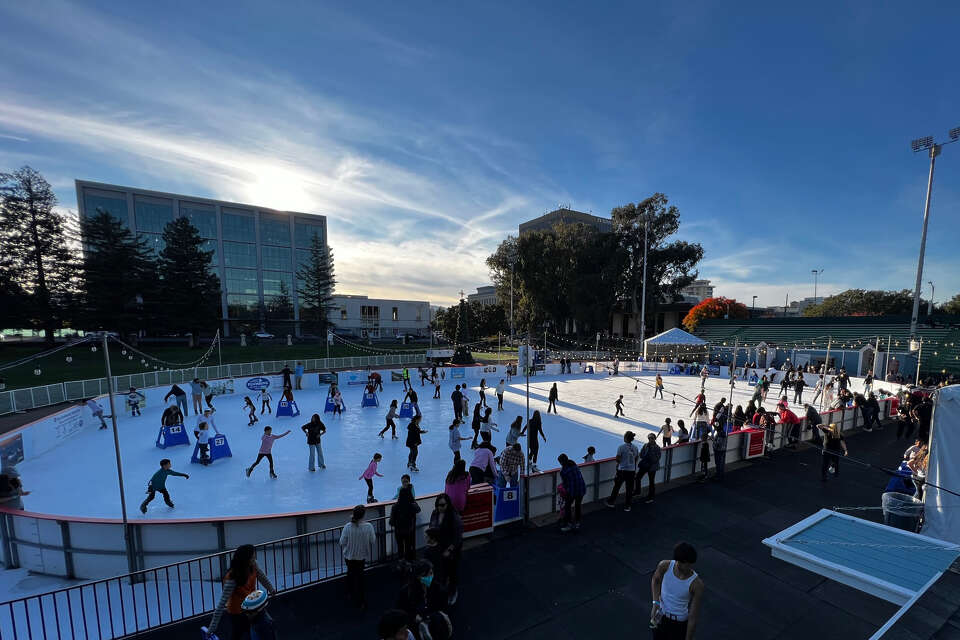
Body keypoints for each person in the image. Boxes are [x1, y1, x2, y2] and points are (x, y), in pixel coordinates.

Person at [205, 544, 277, 640]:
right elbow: (221, 604)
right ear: (244, 560)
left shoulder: (253, 565)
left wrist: (271, 589)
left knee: (267, 625)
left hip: (253, 606)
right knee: (241, 634)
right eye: (252, 557)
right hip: (238, 613)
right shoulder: (232, 578)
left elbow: (262, 577)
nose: (254, 559)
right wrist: (211, 629)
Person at [650, 542, 704, 640]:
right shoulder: (664, 566)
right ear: (678, 561)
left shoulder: (696, 584)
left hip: (679, 623)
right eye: (686, 564)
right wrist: (655, 603)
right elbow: (655, 580)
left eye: (690, 564)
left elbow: (693, 617)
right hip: (660, 616)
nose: (689, 567)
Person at [395, 560, 449, 637]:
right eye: (426, 575)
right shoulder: (407, 592)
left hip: (435, 629)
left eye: (431, 573)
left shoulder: (439, 590)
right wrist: (414, 616)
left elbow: (444, 609)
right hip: (415, 630)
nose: (430, 577)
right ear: (418, 576)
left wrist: (428, 617)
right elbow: (401, 612)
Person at [339, 505, 376, 610]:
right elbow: (373, 540)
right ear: (363, 515)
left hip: (349, 556)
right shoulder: (368, 527)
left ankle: (349, 593)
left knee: (350, 573)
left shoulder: (347, 527)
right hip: (361, 556)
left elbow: (342, 542)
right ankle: (361, 600)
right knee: (360, 576)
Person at [429, 494, 463, 605]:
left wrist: (450, 549)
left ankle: (453, 591)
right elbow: (432, 527)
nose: (440, 507)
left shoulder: (454, 518)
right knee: (440, 571)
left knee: (452, 571)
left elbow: (457, 537)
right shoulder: (435, 514)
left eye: (442, 505)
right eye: (438, 505)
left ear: (448, 505)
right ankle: (442, 591)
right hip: (439, 547)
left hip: (451, 550)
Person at [605, 431, 639, 511]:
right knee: (629, 489)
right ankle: (628, 506)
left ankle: (611, 502)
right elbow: (636, 458)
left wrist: (620, 463)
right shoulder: (635, 447)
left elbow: (617, 458)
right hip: (631, 471)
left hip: (622, 471)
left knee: (617, 487)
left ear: (626, 438)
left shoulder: (621, 447)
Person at [390, 486, 420, 562]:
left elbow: (391, 522)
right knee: (408, 546)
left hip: (398, 531)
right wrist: (413, 501)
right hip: (409, 530)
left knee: (400, 547)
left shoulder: (395, 506)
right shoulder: (412, 505)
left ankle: (401, 562)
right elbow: (418, 510)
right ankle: (409, 562)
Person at [558, 453, 586, 532]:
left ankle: (569, 524)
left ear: (561, 462)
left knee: (567, 507)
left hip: (573, 491)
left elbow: (566, 484)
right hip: (581, 488)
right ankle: (577, 523)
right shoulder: (574, 465)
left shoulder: (563, 471)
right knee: (577, 506)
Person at [639, 433, 662, 502]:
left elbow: (657, 458)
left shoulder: (657, 448)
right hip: (645, 465)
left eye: (652, 438)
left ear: (654, 439)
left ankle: (651, 496)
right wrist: (645, 455)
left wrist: (650, 454)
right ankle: (637, 491)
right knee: (637, 477)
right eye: (649, 438)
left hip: (652, 467)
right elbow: (641, 454)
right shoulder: (646, 445)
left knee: (651, 481)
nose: (650, 440)